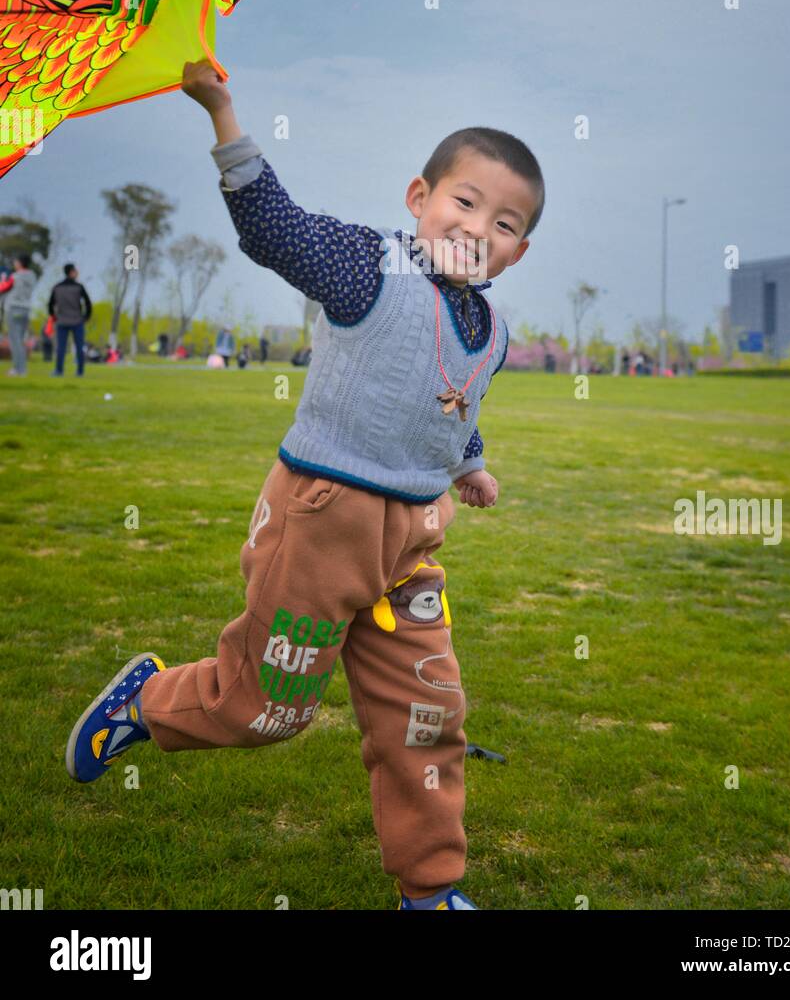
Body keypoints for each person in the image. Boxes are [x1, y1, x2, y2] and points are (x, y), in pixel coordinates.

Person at [66, 58, 545, 913]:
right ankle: (150, 701)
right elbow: (274, 229)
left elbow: (448, 403)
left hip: (411, 545)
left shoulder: (492, 328)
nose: (479, 227)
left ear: (520, 249)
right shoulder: (368, 269)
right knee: (265, 711)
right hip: (321, 523)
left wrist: (470, 465)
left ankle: (430, 892)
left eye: (505, 222)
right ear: (418, 197)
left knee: (429, 714)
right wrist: (222, 114)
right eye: (464, 202)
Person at [48, 263, 92, 377]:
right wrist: (86, 317)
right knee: (79, 347)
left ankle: (59, 370)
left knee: (61, 348)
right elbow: (88, 303)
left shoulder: (57, 287)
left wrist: (54, 316)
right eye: (75, 271)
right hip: (77, 321)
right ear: (71, 272)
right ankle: (80, 372)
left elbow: (50, 304)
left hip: (61, 321)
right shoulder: (79, 287)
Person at [0, 252, 38, 376]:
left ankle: (18, 369)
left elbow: (3, 288)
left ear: (20, 263)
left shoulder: (15, 277)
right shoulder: (32, 277)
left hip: (13, 308)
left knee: (14, 341)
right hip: (25, 309)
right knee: (20, 340)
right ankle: (22, 368)